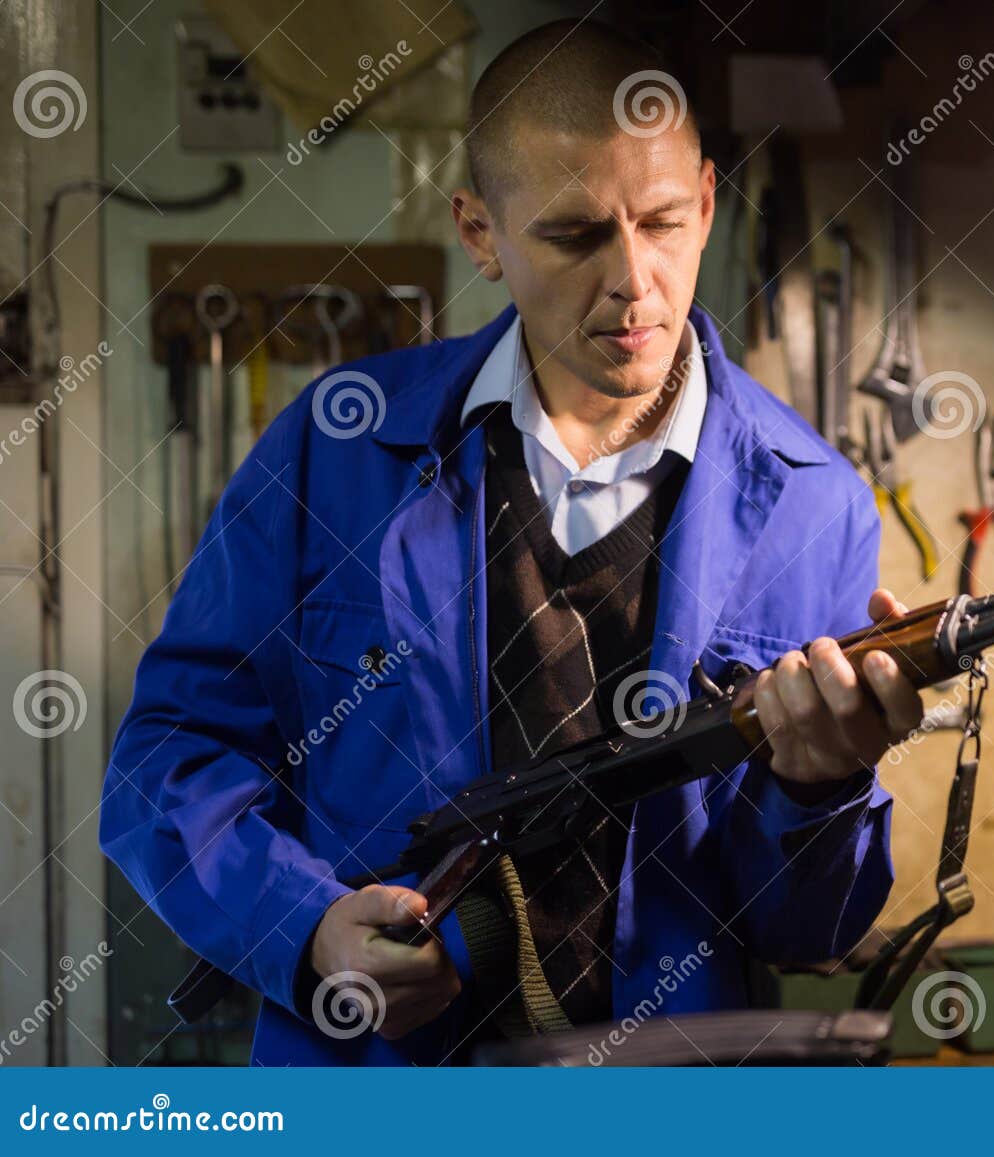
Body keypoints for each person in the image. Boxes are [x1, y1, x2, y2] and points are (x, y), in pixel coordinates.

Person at [100, 19, 922, 1066]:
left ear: (709, 203)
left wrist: (821, 789)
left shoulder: (816, 505)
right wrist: (303, 931)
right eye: (576, 236)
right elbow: (167, 757)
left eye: (664, 222)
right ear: (481, 233)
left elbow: (805, 931)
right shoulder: (338, 445)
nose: (635, 281)